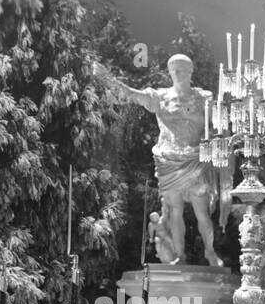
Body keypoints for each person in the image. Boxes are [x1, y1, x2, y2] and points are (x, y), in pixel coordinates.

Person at [93, 54, 221, 267]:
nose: (176, 73)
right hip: (168, 159)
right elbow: (130, 95)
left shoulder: (204, 98)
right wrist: (108, 79)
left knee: (201, 211)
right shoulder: (160, 97)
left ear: (190, 72)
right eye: (173, 70)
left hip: (196, 159)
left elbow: (221, 125)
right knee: (175, 211)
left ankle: (210, 252)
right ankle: (180, 255)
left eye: (181, 69)